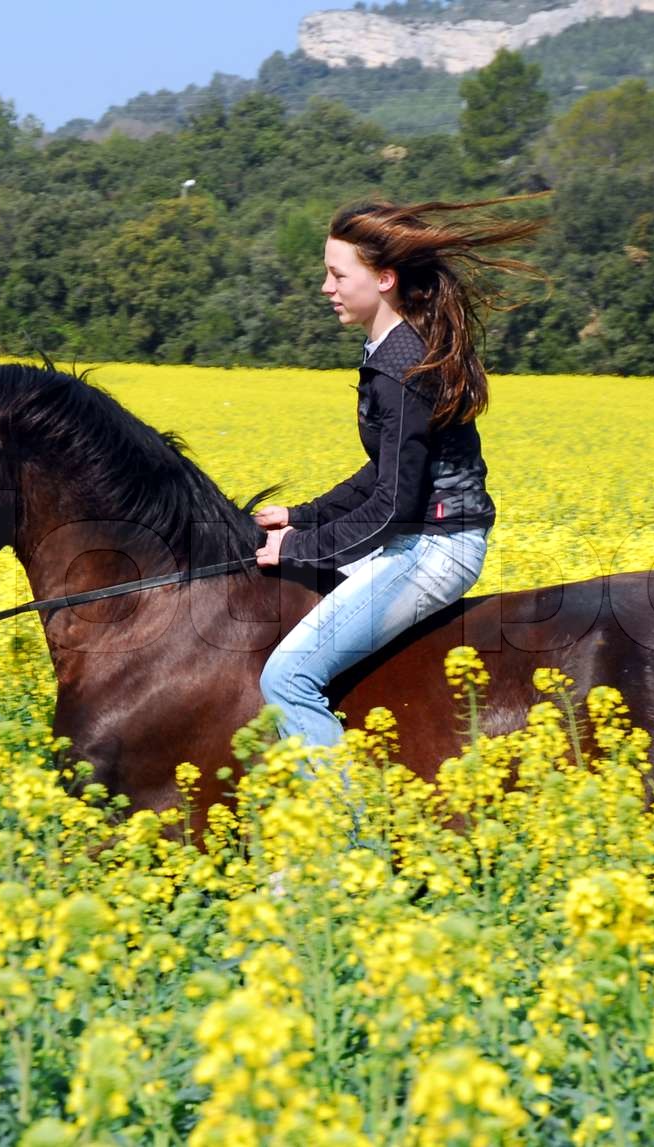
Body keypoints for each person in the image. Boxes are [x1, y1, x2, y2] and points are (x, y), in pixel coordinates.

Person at [252, 195, 549, 774]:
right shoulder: (395, 350)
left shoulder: (399, 368)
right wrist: (302, 515)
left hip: (435, 546)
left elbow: (394, 505)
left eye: (338, 275)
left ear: (384, 279)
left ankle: (343, 847)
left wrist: (300, 547)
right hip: (421, 537)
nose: (326, 287)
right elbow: (382, 473)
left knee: (288, 678)